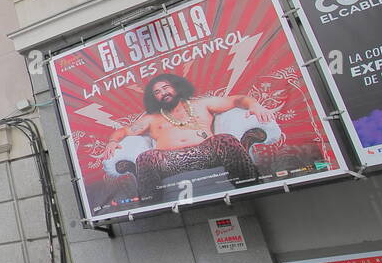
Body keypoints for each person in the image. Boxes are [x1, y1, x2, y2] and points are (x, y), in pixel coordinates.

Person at [100, 73, 273, 203]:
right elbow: (124, 131)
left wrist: (254, 105)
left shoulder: (201, 104)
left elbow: (237, 100)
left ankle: (252, 187)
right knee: (146, 157)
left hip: (206, 152)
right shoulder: (151, 119)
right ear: (155, 98)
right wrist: (113, 141)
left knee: (225, 139)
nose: (163, 93)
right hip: (169, 161)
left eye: (166, 88)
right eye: (157, 92)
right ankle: (152, 206)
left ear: (176, 87)